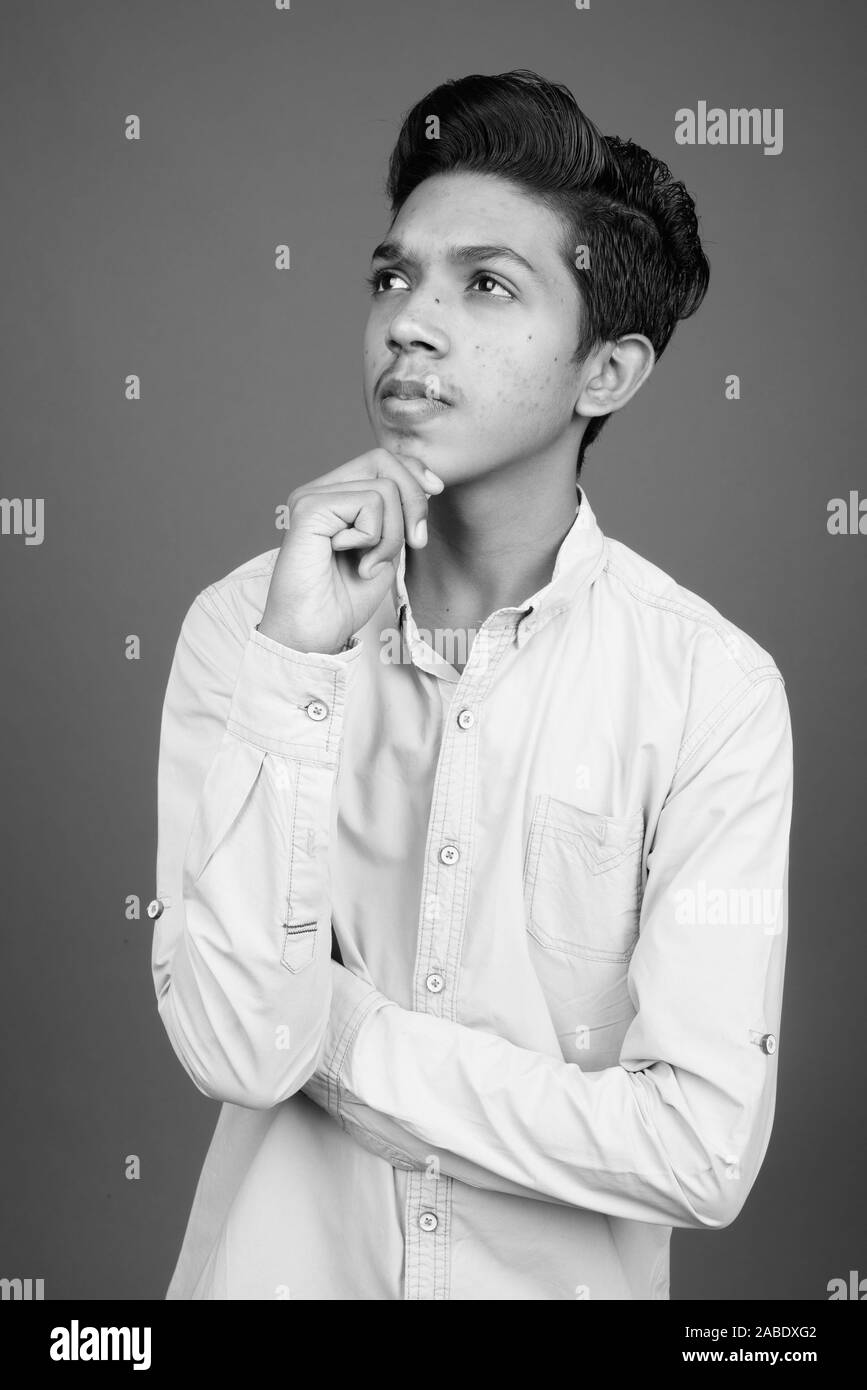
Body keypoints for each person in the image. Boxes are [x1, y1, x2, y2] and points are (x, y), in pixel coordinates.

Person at [151, 69, 793, 1300]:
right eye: (395, 277)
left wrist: (334, 1035)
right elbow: (237, 1047)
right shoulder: (245, 625)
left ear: (606, 372)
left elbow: (700, 1152)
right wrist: (298, 667)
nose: (410, 322)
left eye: (485, 285)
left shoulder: (710, 688)